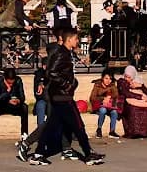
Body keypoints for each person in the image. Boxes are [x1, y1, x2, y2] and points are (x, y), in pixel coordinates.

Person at [28, 28, 104, 166]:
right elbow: (51, 72)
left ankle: (38, 154)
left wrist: (72, 83)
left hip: (60, 96)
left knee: (51, 126)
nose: (77, 41)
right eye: (76, 39)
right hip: (63, 97)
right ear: (69, 40)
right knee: (78, 126)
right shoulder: (61, 53)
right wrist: (66, 84)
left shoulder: (64, 53)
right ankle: (88, 154)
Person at [0, 67, 29, 144]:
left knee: (24, 107)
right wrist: (7, 94)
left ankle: (24, 133)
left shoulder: (18, 80)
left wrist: (18, 100)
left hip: (14, 105)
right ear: (5, 78)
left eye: (12, 82)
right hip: (2, 105)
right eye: (9, 82)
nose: (11, 84)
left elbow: (22, 96)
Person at [116, 65, 147, 139]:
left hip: (141, 102)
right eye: (126, 76)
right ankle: (133, 132)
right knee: (133, 109)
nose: (127, 79)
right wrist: (140, 97)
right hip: (127, 103)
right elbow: (126, 93)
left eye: (129, 77)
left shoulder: (138, 82)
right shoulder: (121, 82)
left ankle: (145, 132)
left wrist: (140, 86)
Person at [89, 69, 120, 138]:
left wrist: (110, 97)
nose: (108, 81)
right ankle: (99, 129)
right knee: (103, 110)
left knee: (114, 112)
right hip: (99, 105)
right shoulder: (97, 85)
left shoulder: (112, 85)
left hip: (109, 106)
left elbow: (116, 95)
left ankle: (112, 131)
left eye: (110, 79)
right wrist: (103, 98)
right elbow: (92, 98)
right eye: (106, 78)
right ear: (102, 78)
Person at [33, 57, 48, 126]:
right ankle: (40, 129)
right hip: (44, 100)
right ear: (44, 66)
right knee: (40, 104)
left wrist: (45, 87)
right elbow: (38, 95)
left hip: (55, 100)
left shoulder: (56, 74)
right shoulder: (38, 75)